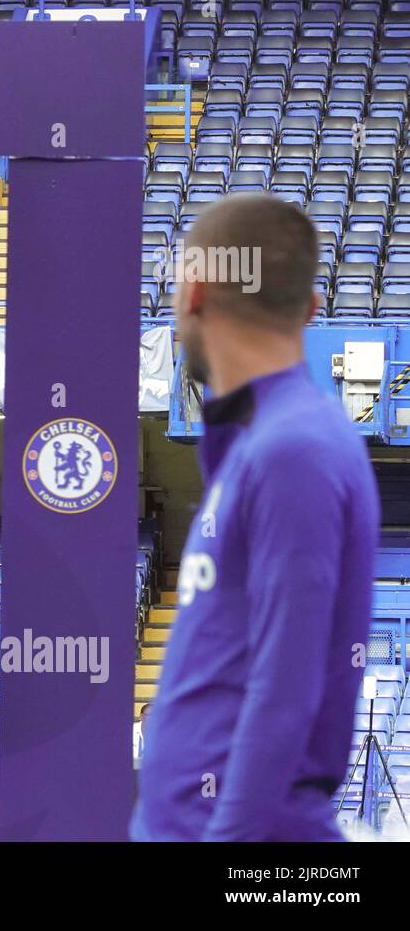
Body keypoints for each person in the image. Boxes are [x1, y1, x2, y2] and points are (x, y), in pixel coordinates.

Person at [132, 193, 378, 842]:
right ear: (311, 311)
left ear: (195, 294)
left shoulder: (292, 449)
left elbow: (285, 689)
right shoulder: (267, 441)